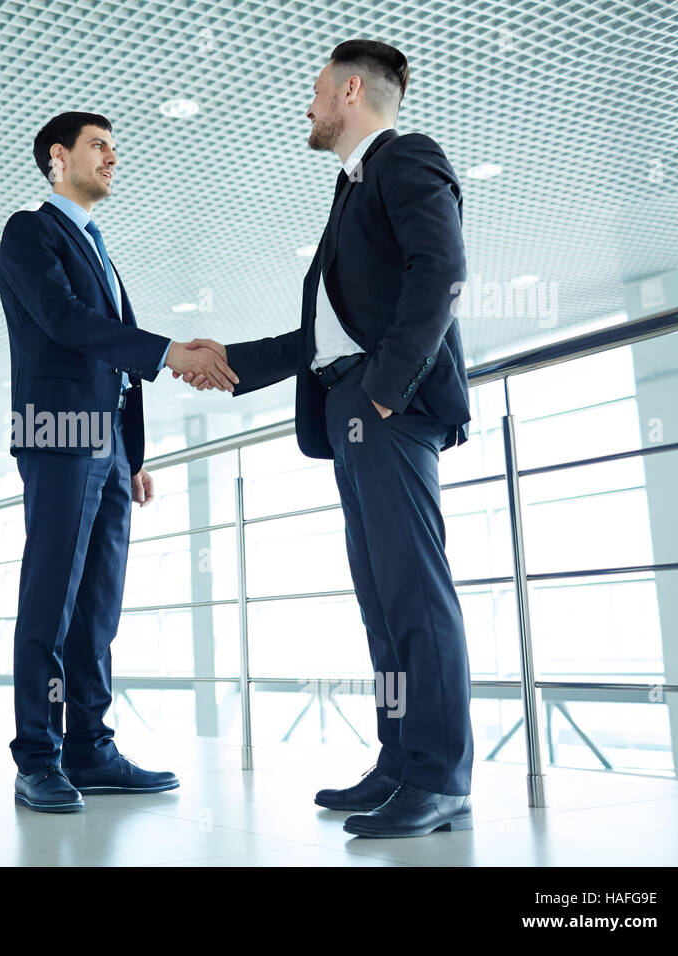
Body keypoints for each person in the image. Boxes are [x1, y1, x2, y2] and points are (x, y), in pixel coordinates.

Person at [179, 40, 475, 837]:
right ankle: (399, 760)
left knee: (414, 594)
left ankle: (441, 775)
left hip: (390, 410)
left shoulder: (406, 158)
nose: (307, 107)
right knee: (381, 603)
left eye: (316, 91)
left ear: (350, 91)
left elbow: (441, 269)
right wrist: (227, 361)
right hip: (350, 409)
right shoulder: (349, 194)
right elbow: (322, 336)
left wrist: (382, 393)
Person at [0, 111, 237, 812]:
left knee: (97, 604)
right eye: (99, 146)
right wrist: (169, 353)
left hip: (107, 445)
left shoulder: (98, 246)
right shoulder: (30, 231)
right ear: (56, 158)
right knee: (52, 597)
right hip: (58, 434)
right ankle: (36, 757)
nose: (111, 158)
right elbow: (67, 322)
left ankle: (89, 749)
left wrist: (130, 453)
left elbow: (108, 354)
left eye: (114, 149)